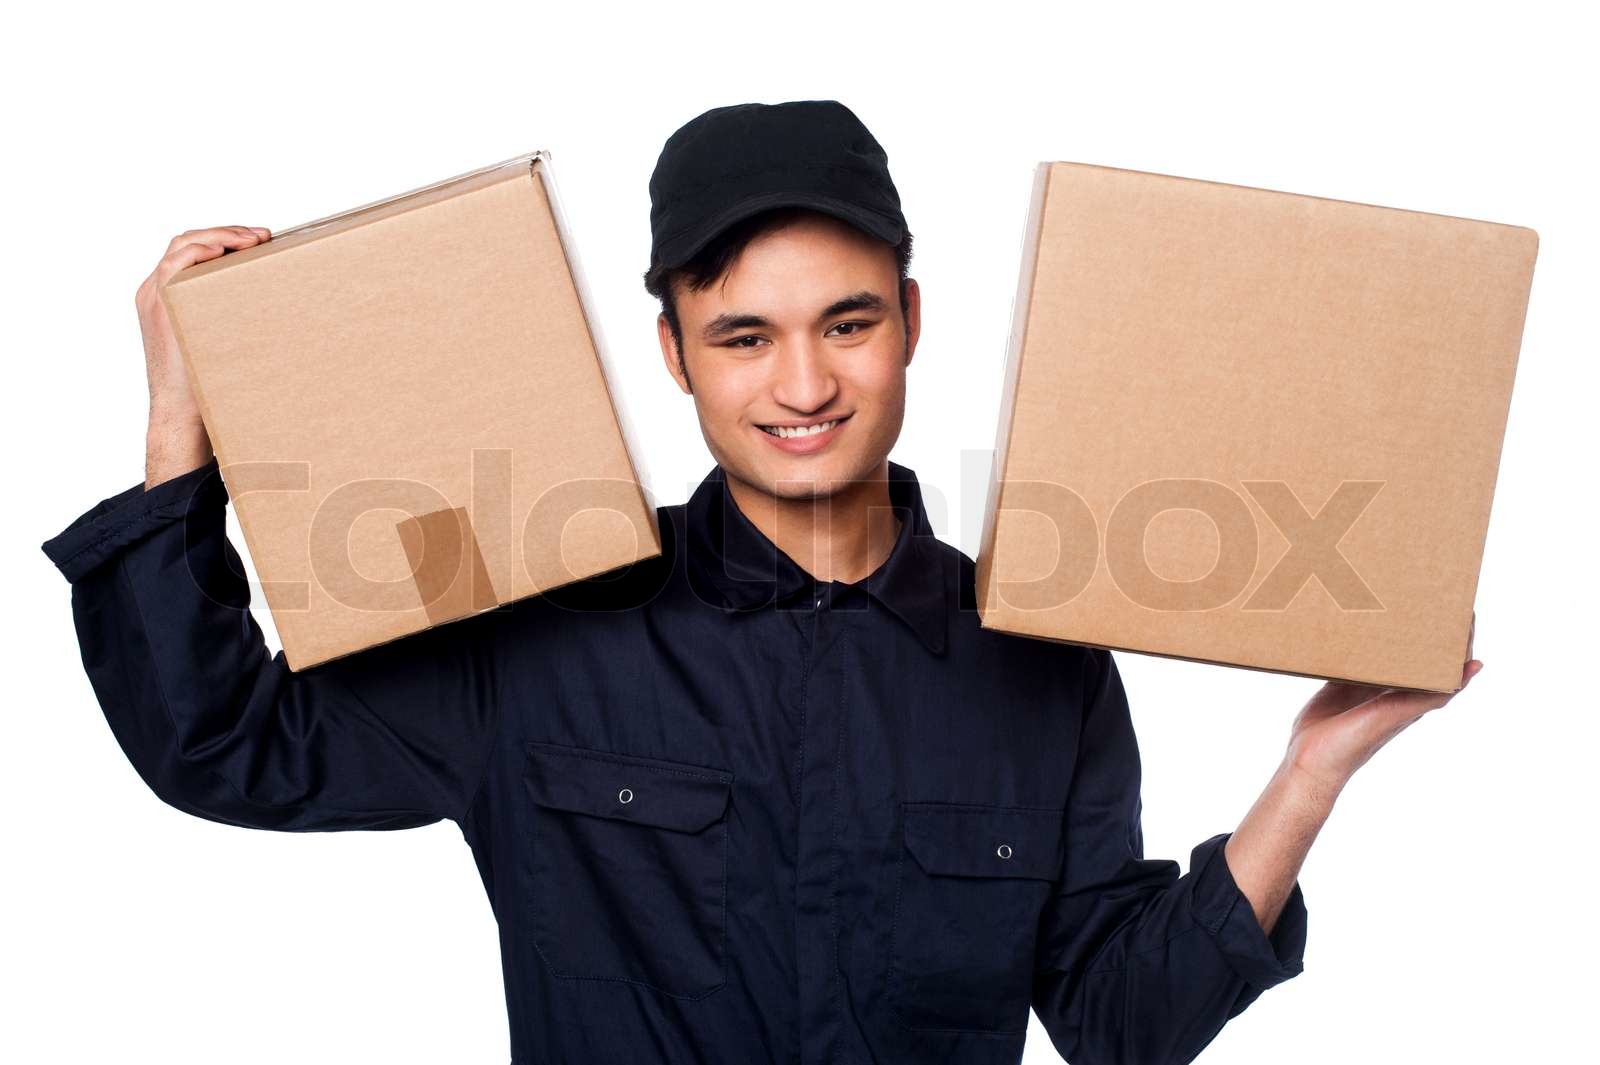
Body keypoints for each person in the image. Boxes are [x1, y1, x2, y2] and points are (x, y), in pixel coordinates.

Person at [41, 100, 1480, 1065]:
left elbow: (1120, 1018)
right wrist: (182, 431)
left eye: (847, 323)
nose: (804, 385)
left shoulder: (1041, 659)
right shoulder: (543, 636)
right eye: (744, 336)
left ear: (910, 322)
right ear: (673, 351)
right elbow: (221, 744)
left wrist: (1313, 768)